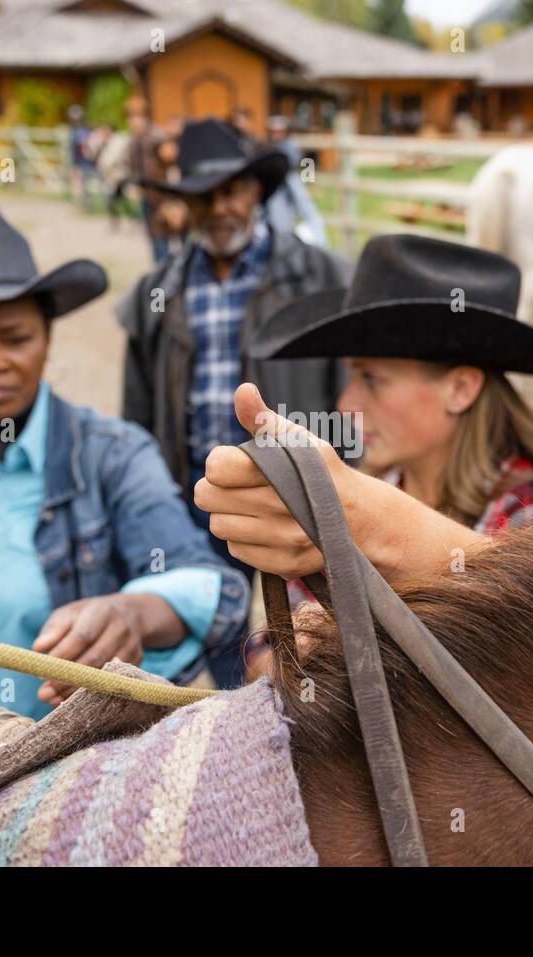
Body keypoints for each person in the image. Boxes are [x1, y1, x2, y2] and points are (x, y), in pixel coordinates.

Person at [0, 202, 249, 718]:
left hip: (52, 769)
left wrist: (130, 613)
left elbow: (218, 590)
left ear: (47, 338)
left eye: (15, 338)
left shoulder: (111, 454)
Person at [241, 234, 533, 675]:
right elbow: (268, 646)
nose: (346, 404)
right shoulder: (370, 491)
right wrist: (284, 652)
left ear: (460, 389)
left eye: (372, 378)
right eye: (353, 375)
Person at [118, 117, 351, 685]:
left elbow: (348, 400)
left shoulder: (321, 280)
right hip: (196, 500)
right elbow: (138, 415)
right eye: (203, 197)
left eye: (233, 191)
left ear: (257, 193)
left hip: (292, 500)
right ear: (184, 208)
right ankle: (232, 717)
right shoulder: (159, 292)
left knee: (308, 652)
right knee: (223, 635)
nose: (219, 207)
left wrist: (343, 485)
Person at [264, 115, 326, 247]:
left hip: (291, 182)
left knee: (310, 215)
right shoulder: (267, 146)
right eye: (273, 131)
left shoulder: (291, 147)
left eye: (279, 131)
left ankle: (321, 245)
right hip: (276, 187)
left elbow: (305, 164)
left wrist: (308, 182)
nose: (276, 135)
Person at [126, 110, 171, 263]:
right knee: (154, 233)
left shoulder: (156, 137)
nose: (135, 122)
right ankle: (160, 267)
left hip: (162, 194)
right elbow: (132, 166)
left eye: (138, 118)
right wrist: (136, 184)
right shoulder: (133, 142)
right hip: (147, 195)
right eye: (132, 119)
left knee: (168, 231)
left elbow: (166, 163)